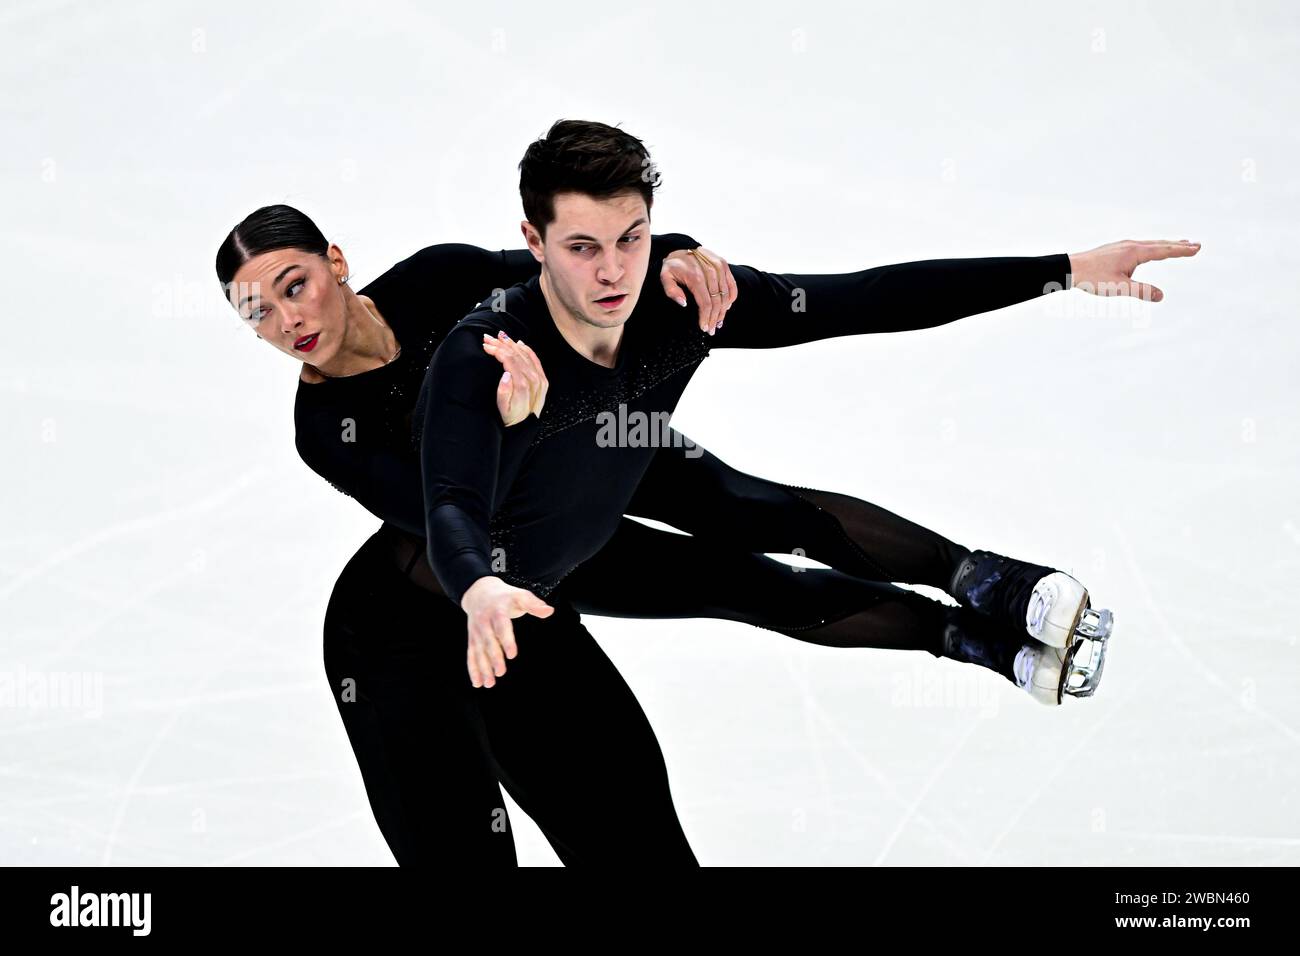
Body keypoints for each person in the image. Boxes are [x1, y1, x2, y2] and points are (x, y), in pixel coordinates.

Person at [215, 127, 1197, 865]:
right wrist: (519, 419)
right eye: (258, 309)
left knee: (751, 526)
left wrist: (1064, 271)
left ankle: (984, 597)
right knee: (742, 581)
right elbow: (455, 513)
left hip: (559, 524)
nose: (286, 319)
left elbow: (858, 297)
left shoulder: (502, 287)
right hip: (434, 597)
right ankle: (968, 622)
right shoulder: (332, 425)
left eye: (293, 284)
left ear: (336, 263)